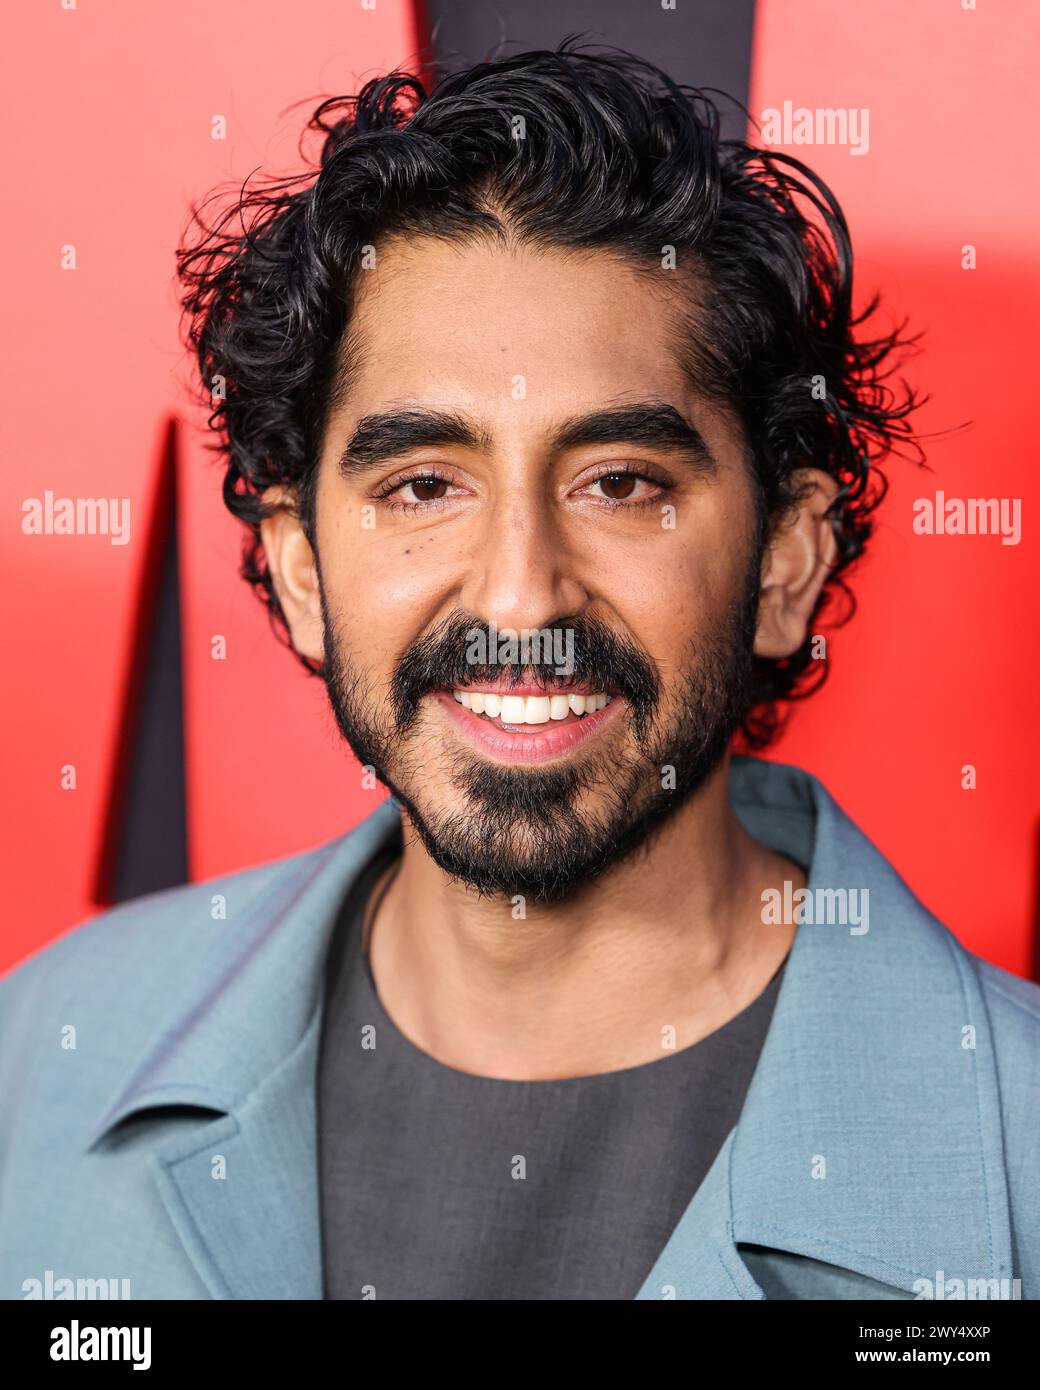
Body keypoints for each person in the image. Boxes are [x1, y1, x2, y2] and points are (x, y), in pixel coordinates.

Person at [2, 42, 1037, 1302]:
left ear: (781, 561)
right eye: (423, 486)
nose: (517, 590)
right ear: (300, 570)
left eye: (620, 483)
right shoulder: (39, 1057)